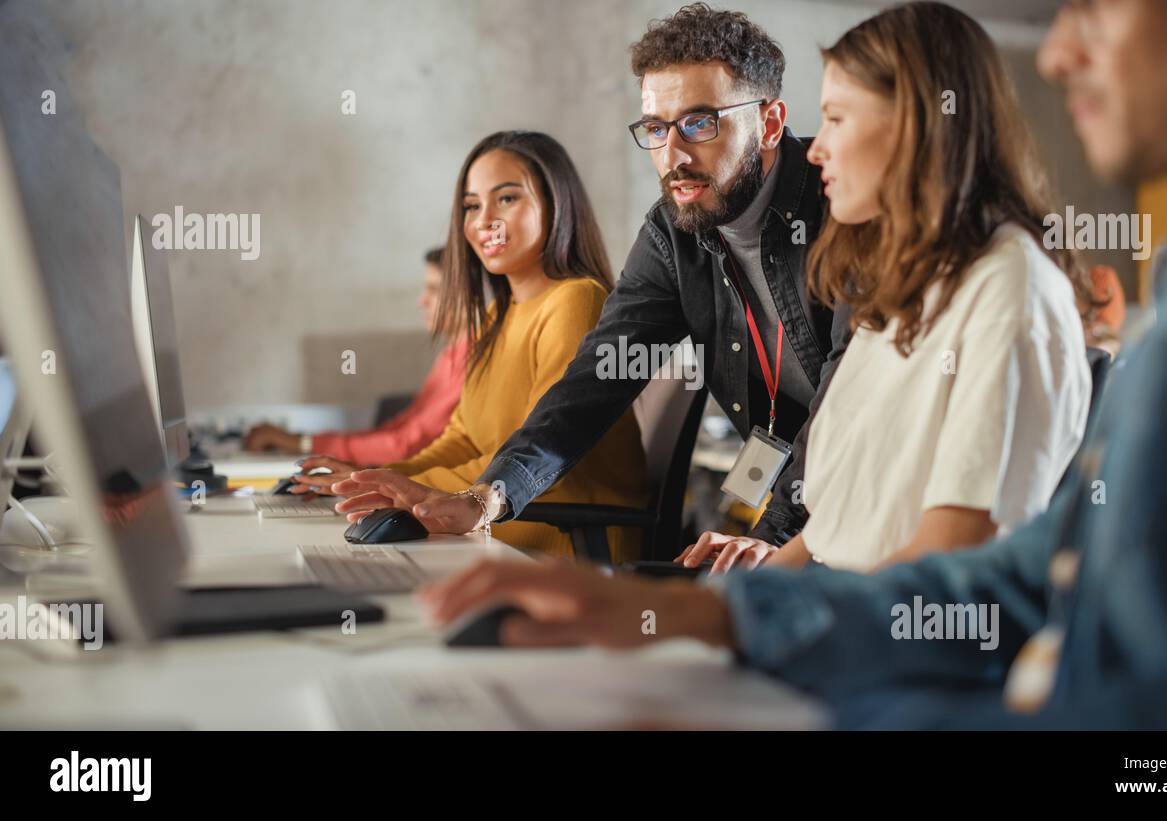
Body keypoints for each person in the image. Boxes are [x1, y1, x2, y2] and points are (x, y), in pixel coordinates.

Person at [420, 0, 1167, 730]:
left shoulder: (924, 261)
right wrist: (723, 613)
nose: (1061, 51)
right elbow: (1034, 571)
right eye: (654, 126)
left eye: (1096, 8)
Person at [328, 4, 848, 547]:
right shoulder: (673, 233)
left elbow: (847, 403)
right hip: (804, 496)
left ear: (768, 123)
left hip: (882, 481)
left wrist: (770, 537)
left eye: (699, 123)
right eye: (654, 127)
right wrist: (490, 497)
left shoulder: (843, 205)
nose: (673, 154)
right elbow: (590, 386)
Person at [676, 1, 1094, 575]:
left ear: (916, 124)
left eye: (838, 118)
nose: (816, 148)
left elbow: (950, 560)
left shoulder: (1009, 289)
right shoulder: (894, 287)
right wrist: (737, 598)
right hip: (838, 611)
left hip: (896, 639)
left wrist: (747, 622)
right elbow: (832, 528)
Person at [321, 131, 649, 560]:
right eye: (472, 206)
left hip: (563, 543)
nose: (484, 221)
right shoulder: (499, 316)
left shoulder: (575, 300)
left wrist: (421, 491)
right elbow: (462, 438)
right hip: (496, 530)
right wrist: (378, 478)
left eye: (506, 199)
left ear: (556, 203)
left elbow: (550, 457)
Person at [242, 247, 470, 465]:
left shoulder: (472, 358)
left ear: (471, 294)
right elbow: (398, 430)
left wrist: (302, 443)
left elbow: (405, 446)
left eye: (435, 290)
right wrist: (303, 440)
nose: (422, 301)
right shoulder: (450, 354)